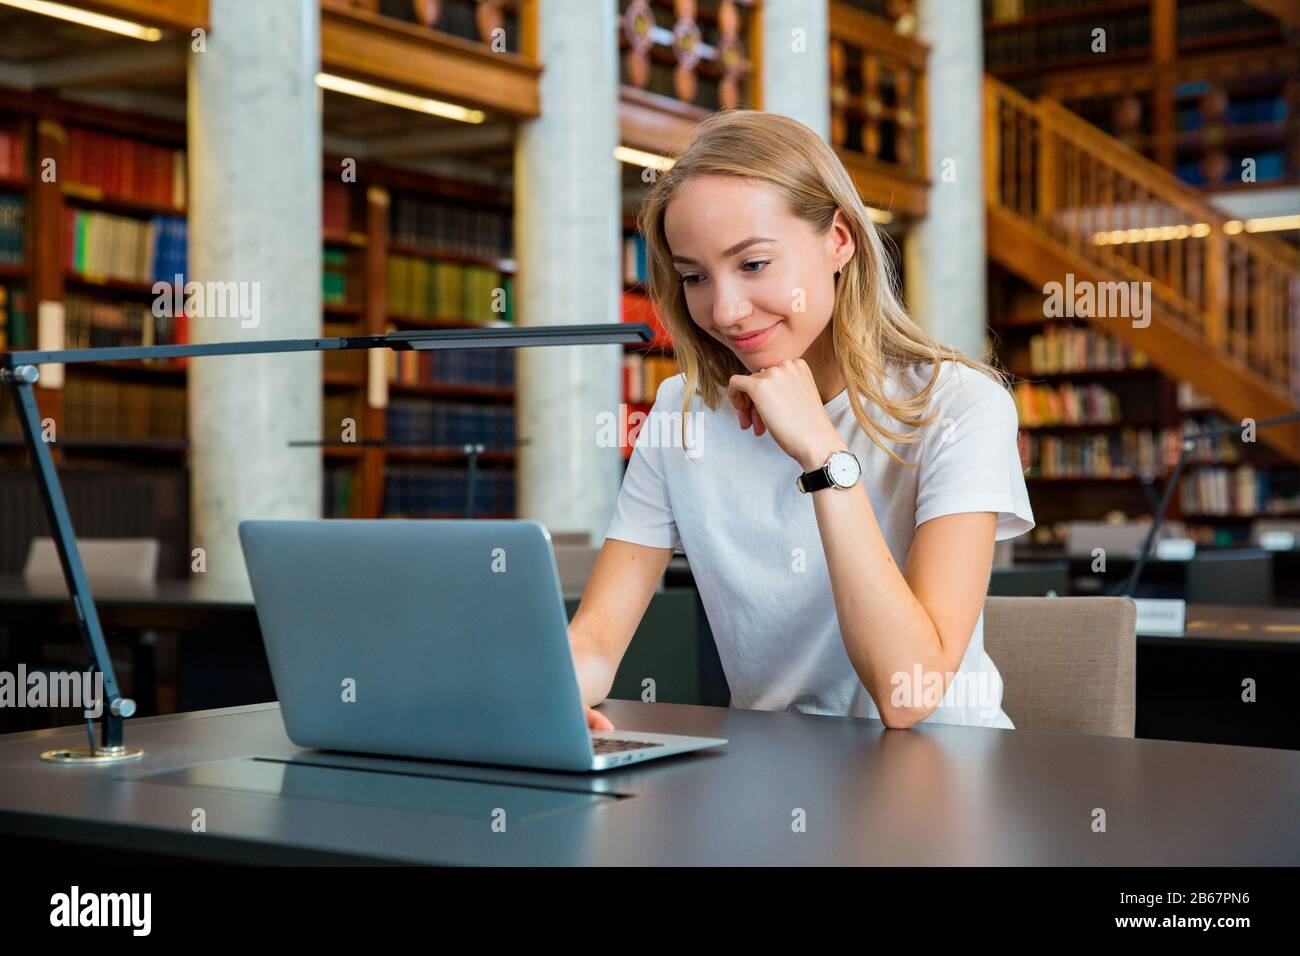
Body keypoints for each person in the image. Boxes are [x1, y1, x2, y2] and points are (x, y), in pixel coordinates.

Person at [570, 109, 1034, 732]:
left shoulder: (961, 406)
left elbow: (906, 693)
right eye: (694, 277)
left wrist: (821, 452)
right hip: (775, 780)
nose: (727, 309)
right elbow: (596, 641)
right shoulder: (680, 414)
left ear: (839, 239)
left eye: (754, 264)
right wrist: (551, 700)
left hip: (941, 777)